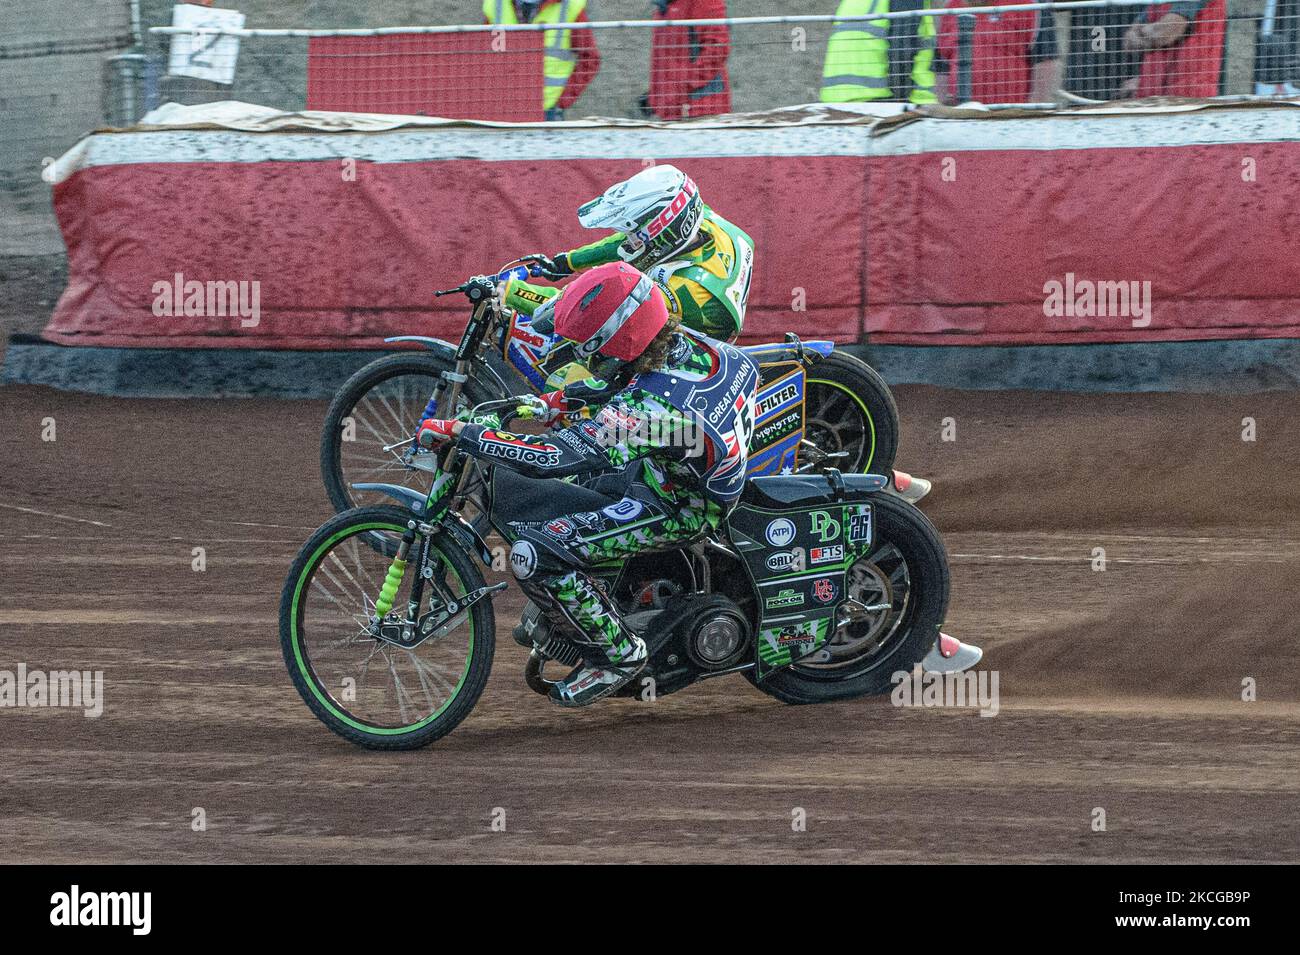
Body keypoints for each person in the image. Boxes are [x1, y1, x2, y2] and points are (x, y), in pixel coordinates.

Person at [416, 262, 759, 707]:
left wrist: (469, 434)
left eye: (588, 349)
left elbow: (554, 458)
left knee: (533, 554)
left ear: (619, 343)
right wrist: (535, 406)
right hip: (677, 465)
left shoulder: (649, 408)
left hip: (677, 507)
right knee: (583, 480)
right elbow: (610, 390)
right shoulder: (691, 346)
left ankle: (620, 655)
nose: (579, 357)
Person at [509, 164, 754, 343]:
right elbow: (629, 244)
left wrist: (511, 292)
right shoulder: (703, 221)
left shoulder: (686, 288)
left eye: (634, 235)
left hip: (683, 366)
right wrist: (569, 262)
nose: (629, 242)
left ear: (664, 234)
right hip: (681, 330)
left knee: (566, 376)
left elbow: (591, 309)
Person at [482, 0, 601, 120]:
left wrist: (563, 100)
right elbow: (482, 55)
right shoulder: (496, 5)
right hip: (503, 107)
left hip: (547, 110)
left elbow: (590, 58)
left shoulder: (569, 6)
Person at [934, 0, 1062, 104]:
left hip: (1011, 116)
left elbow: (1046, 60)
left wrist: (1035, 107)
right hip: (962, 116)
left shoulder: (1030, 4)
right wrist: (945, 108)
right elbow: (942, 67)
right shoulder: (950, 9)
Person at [821, 0, 939, 105]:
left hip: (836, 99)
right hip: (882, 102)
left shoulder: (851, 3)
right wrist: (901, 100)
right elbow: (901, 48)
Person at [642, 0, 733, 119]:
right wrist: (655, 97)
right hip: (674, 109)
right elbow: (668, 59)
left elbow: (717, 49)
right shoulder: (665, 6)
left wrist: (682, 87)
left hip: (702, 110)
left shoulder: (703, 2)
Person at [1121, 0, 1226, 98]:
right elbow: (1129, 41)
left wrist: (1145, 34)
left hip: (1189, 100)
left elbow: (1165, 32)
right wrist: (1145, 81)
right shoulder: (1156, 3)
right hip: (1154, 100)